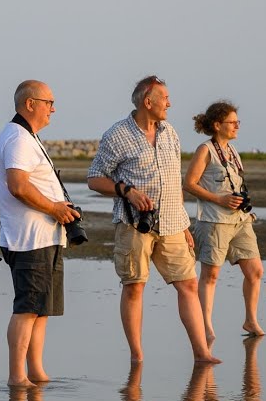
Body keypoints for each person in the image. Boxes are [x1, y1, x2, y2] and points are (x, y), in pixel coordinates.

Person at [86, 76, 220, 365]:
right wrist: (127, 191)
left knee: (187, 285)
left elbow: (173, 182)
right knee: (134, 286)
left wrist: (185, 224)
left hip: (173, 224)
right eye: (165, 98)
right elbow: (94, 179)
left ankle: (202, 353)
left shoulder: (170, 132)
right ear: (149, 102)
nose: (170, 103)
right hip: (134, 225)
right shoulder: (117, 135)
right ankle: (137, 356)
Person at [0, 79, 80, 386]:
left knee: (42, 310)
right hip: (29, 238)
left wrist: (60, 210)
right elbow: (18, 185)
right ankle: (17, 375)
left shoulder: (28, 137)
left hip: (46, 237)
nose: (54, 109)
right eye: (49, 103)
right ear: (31, 104)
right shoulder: (17, 138)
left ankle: (36, 371)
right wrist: (55, 208)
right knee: (27, 308)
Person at [184, 101, 265, 345]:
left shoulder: (232, 151)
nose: (237, 126)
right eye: (233, 122)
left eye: (237, 122)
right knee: (211, 276)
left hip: (240, 219)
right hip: (214, 221)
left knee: (255, 271)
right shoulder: (205, 150)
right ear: (217, 125)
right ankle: (206, 326)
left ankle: (250, 320)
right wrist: (219, 199)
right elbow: (189, 184)